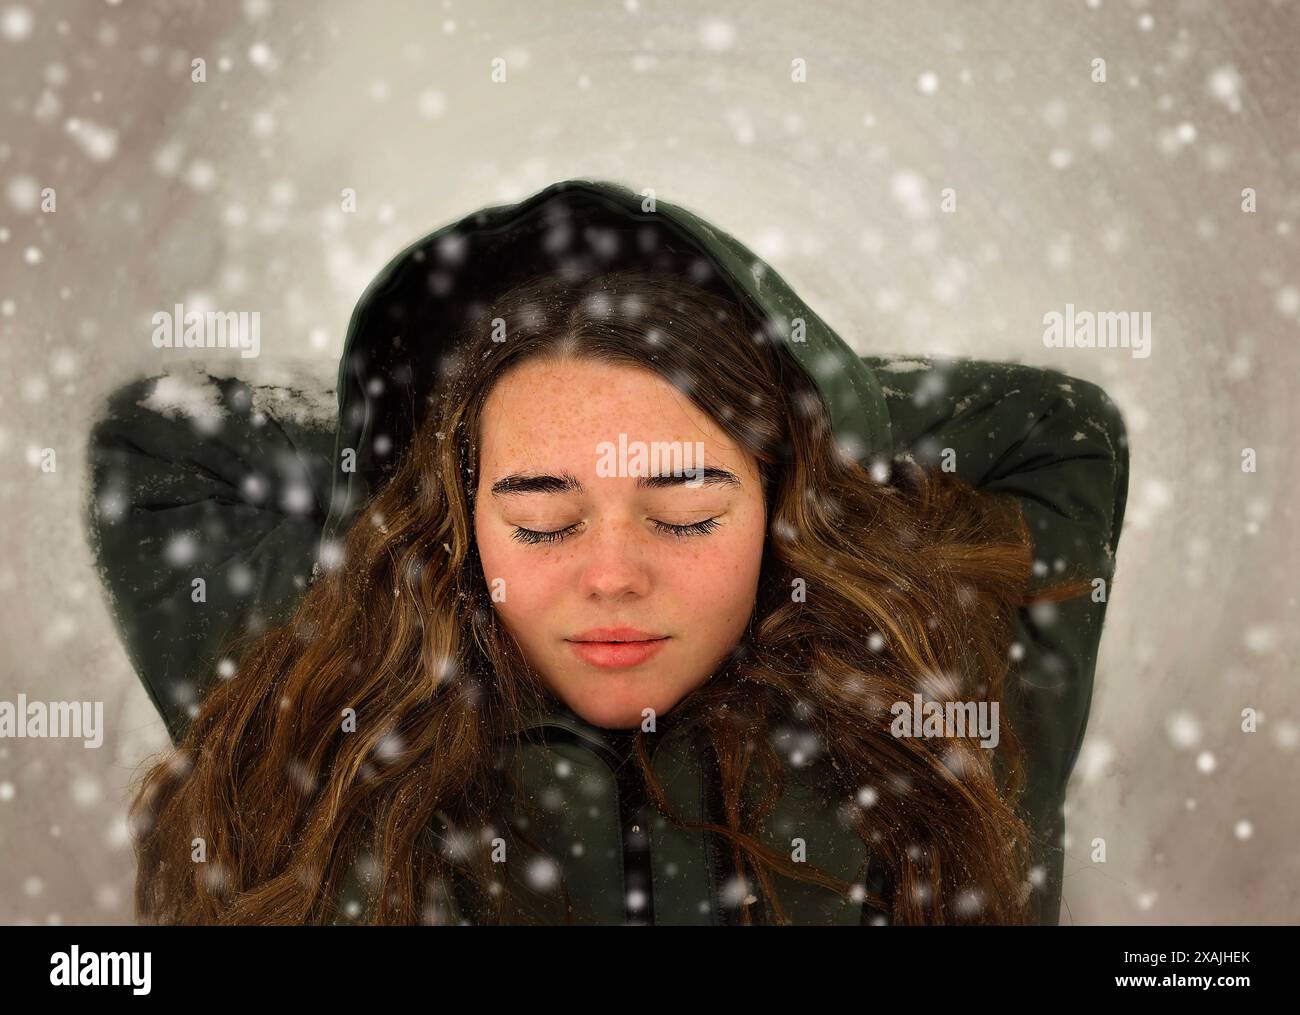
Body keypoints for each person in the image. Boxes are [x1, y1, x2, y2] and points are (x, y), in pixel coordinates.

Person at [86, 179, 1129, 925]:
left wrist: (801, 397)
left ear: (782, 501)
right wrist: (421, 420)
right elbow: (163, 444)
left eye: (683, 512)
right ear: (456, 514)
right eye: (541, 517)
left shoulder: (928, 678)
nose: (613, 575)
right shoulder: (326, 686)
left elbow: (1060, 425)